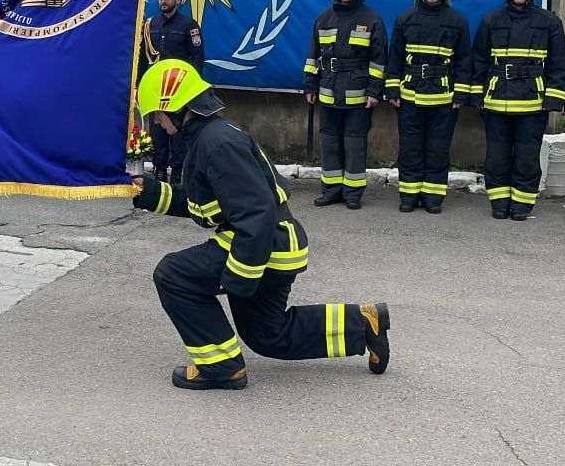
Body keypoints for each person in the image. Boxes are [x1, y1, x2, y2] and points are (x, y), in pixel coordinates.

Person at [133, 59, 390, 390]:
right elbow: (204, 205)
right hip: (272, 244)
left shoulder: (217, 143)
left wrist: (240, 276)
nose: (156, 121)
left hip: (263, 247)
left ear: (176, 106)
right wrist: (148, 192)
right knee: (268, 335)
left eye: (158, 112)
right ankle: (363, 323)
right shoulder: (211, 136)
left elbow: (255, 213)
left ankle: (222, 367)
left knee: (173, 273)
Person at [470, 0, 565, 221]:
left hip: (532, 103)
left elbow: (559, 63)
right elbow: (478, 61)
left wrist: (553, 99)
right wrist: (477, 96)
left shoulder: (549, 22)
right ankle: (499, 201)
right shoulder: (491, 21)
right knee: (497, 155)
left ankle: (523, 203)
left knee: (526, 157)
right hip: (496, 101)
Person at [385, 0, 471, 214]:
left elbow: (464, 60)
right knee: (410, 148)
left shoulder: (457, 21)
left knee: (437, 149)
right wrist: (392, 90)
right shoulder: (405, 19)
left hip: (443, 98)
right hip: (410, 95)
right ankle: (409, 195)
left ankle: (433, 197)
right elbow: (395, 57)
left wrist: (461, 93)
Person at [302, 0, 386, 209]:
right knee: (329, 142)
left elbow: (379, 59)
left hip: (359, 96)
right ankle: (331, 190)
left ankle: (353, 193)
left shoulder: (371, 19)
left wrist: (374, 91)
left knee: (354, 144)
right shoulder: (323, 18)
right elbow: (313, 55)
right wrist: (310, 85)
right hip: (328, 92)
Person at [137, 0, 203, 183]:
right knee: (157, 131)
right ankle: (159, 173)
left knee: (177, 132)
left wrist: (193, 89)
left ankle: (176, 174)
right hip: (155, 88)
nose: (163, 1)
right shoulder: (150, 25)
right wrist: (138, 86)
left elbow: (197, 58)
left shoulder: (188, 25)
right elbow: (141, 58)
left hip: (178, 89)